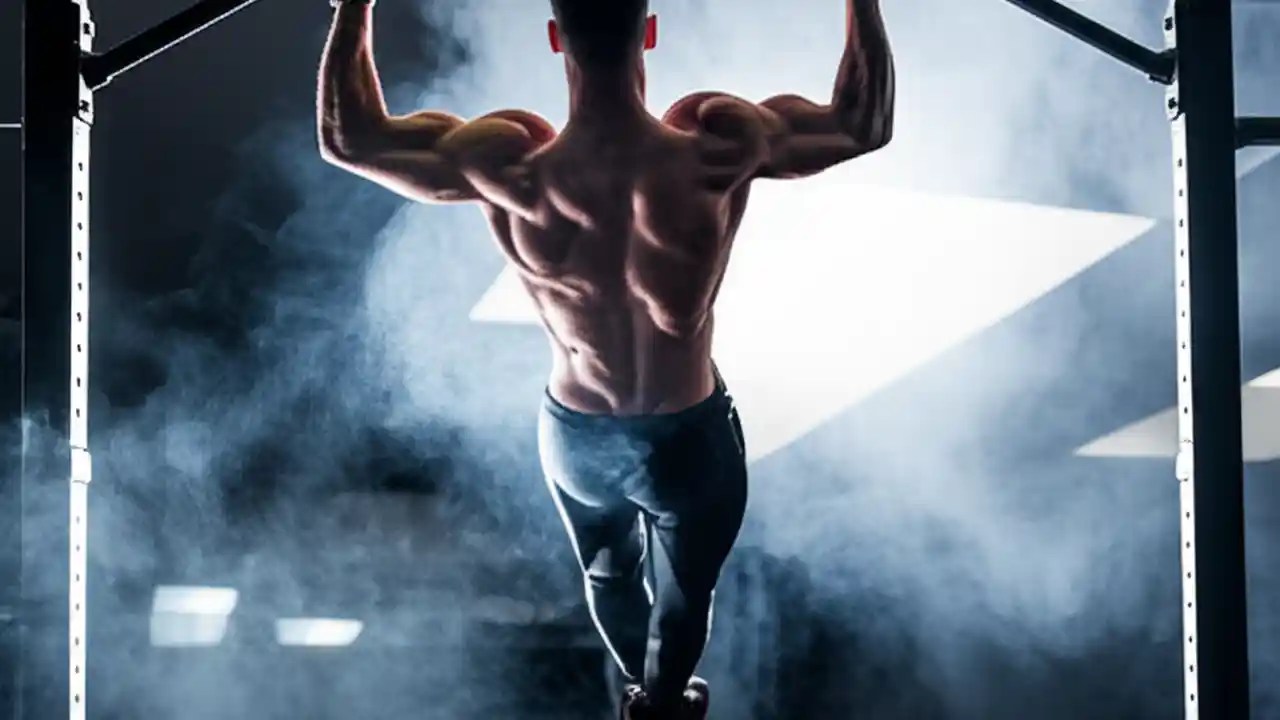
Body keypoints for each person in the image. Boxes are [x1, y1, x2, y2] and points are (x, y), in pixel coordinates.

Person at [317, 0, 894, 716]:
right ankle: (661, 703)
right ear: (649, 31)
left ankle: (646, 694)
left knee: (609, 578)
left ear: (555, 35)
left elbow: (348, 139)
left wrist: (353, 8)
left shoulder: (508, 162)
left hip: (579, 433)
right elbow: (862, 122)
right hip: (686, 433)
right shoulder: (716, 143)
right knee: (687, 598)